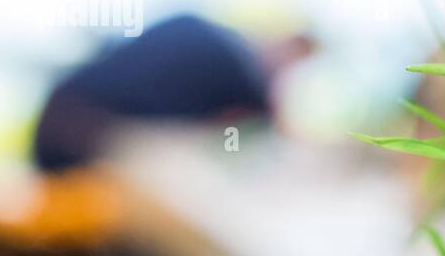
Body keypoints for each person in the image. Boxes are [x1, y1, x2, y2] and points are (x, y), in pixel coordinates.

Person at [33, 13, 313, 171]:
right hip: (76, 136)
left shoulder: (210, 32)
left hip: (59, 112)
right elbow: (267, 139)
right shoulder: (245, 77)